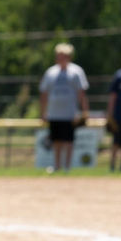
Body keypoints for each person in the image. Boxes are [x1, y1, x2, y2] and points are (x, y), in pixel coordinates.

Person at [38, 42, 89, 173]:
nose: (61, 58)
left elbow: (81, 93)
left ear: (69, 56)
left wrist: (84, 112)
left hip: (70, 113)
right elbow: (44, 93)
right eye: (59, 55)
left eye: (63, 55)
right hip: (54, 113)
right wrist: (42, 112)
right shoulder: (50, 72)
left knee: (68, 141)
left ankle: (67, 167)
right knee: (56, 141)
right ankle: (57, 166)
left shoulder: (76, 72)